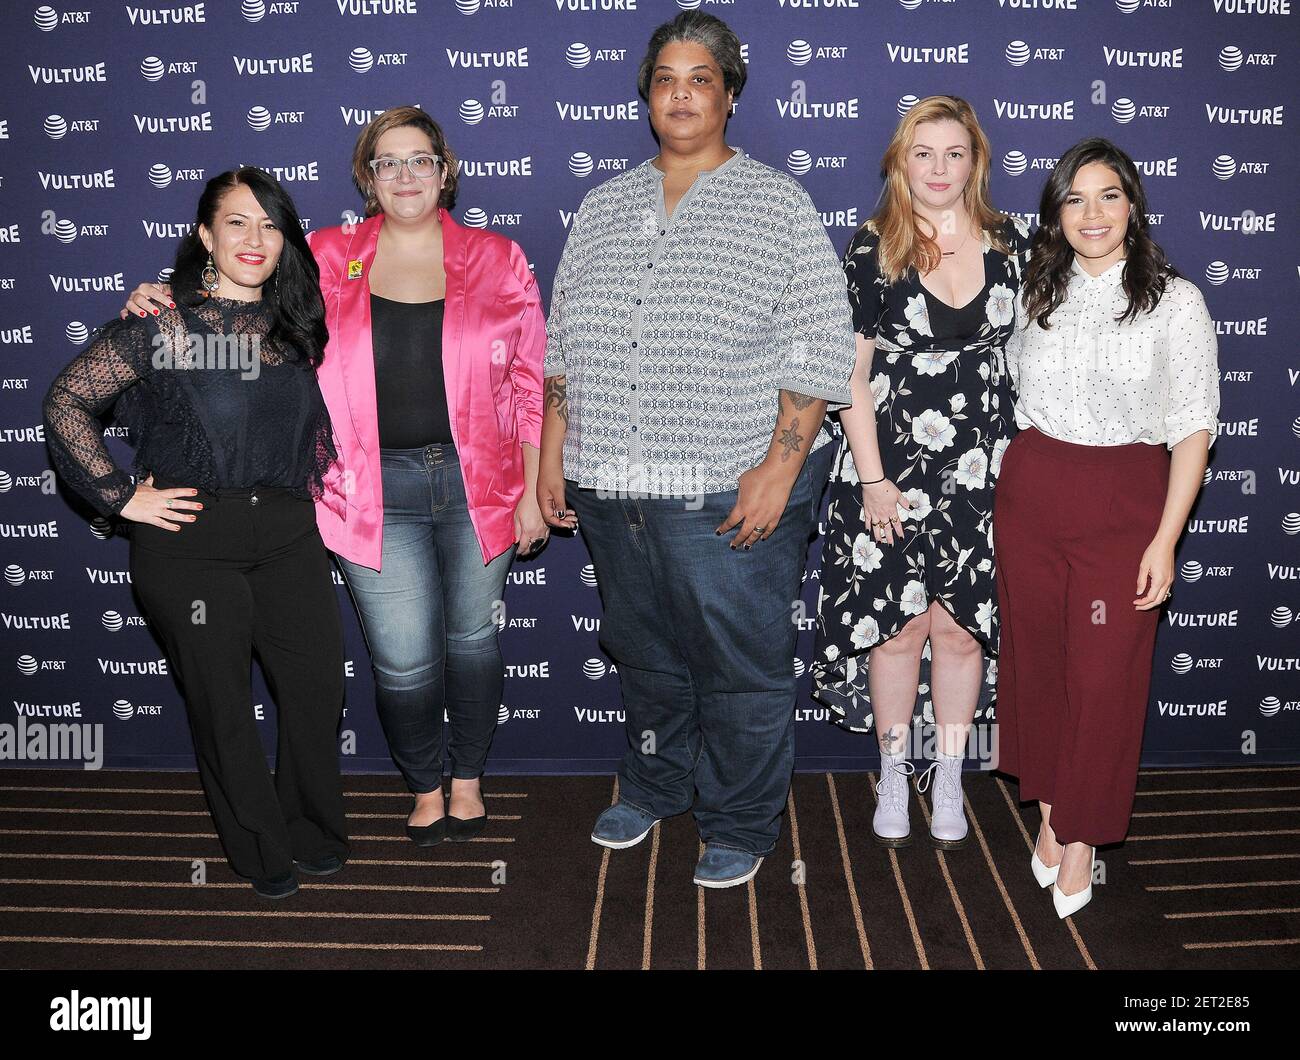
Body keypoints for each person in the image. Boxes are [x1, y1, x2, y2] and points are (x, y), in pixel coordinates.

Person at [122, 107, 548, 848]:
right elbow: (240, 287)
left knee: (474, 642)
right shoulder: (323, 253)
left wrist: (542, 490)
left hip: (483, 486)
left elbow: (530, 383)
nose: (406, 174)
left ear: (446, 171)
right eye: (388, 162)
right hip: (366, 490)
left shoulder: (497, 257)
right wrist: (160, 297)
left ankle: (470, 781)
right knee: (405, 658)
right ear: (367, 177)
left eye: (421, 159)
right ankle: (423, 786)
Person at [538, 11, 856, 889]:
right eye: (666, 78)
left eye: (701, 78)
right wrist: (551, 455)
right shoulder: (604, 206)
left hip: (726, 485)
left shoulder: (776, 203)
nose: (682, 93)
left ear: (729, 94)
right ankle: (653, 783)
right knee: (645, 658)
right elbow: (565, 344)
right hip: (612, 485)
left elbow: (819, 344)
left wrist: (781, 466)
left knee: (741, 670)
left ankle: (743, 823)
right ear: (647, 95)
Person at [45, 167, 348, 899]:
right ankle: (259, 848)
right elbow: (65, 404)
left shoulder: (297, 325)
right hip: (189, 543)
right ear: (206, 236)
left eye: (270, 224)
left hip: (286, 533)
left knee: (314, 688)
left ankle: (310, 829)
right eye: (235, 222)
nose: (254, 238)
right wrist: (120, 497)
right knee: (220, 704)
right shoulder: (161, 323)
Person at [995, 137, 1219, 918]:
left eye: (1109, 196)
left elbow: (1194, 427)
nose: (1093, 213)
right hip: (1032, 491)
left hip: (1123, 499)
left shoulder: (1175, 300)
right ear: (1057, 212)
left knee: (1101, 675)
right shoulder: (1036, 291)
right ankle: (1054, 813)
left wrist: (1164, 538)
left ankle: (1084, 835)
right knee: (1043, 663)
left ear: (1134, 204)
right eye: (1075, 198)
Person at [811, 96, 1028, 850]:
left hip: (985, 466)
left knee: (963, 633)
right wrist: (871, 480)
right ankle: (895, 772)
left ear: (977, 161)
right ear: (900, 163)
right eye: (923, 154)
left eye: (954, 153)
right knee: (898, 630)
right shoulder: (873, 248)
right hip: (890, 465)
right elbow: (854, 375)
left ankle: (949, 777)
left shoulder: (1015, 244)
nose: (939, 169)